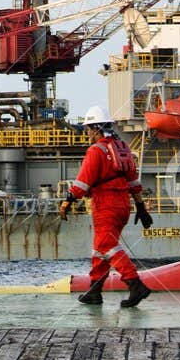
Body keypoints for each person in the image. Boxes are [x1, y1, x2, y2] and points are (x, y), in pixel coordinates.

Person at [61, 105, 154, 308]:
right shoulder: (122, 149)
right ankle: (94, 291)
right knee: (99, 249)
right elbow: (133, 182)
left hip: (106, 205)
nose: (87, 133)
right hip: (123, 206)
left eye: (88, 129)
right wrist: (141, 207)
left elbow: (82, 183)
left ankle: (135, 284)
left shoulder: (96, 150)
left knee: (107, 246)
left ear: (95, 128)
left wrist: (68, 200)